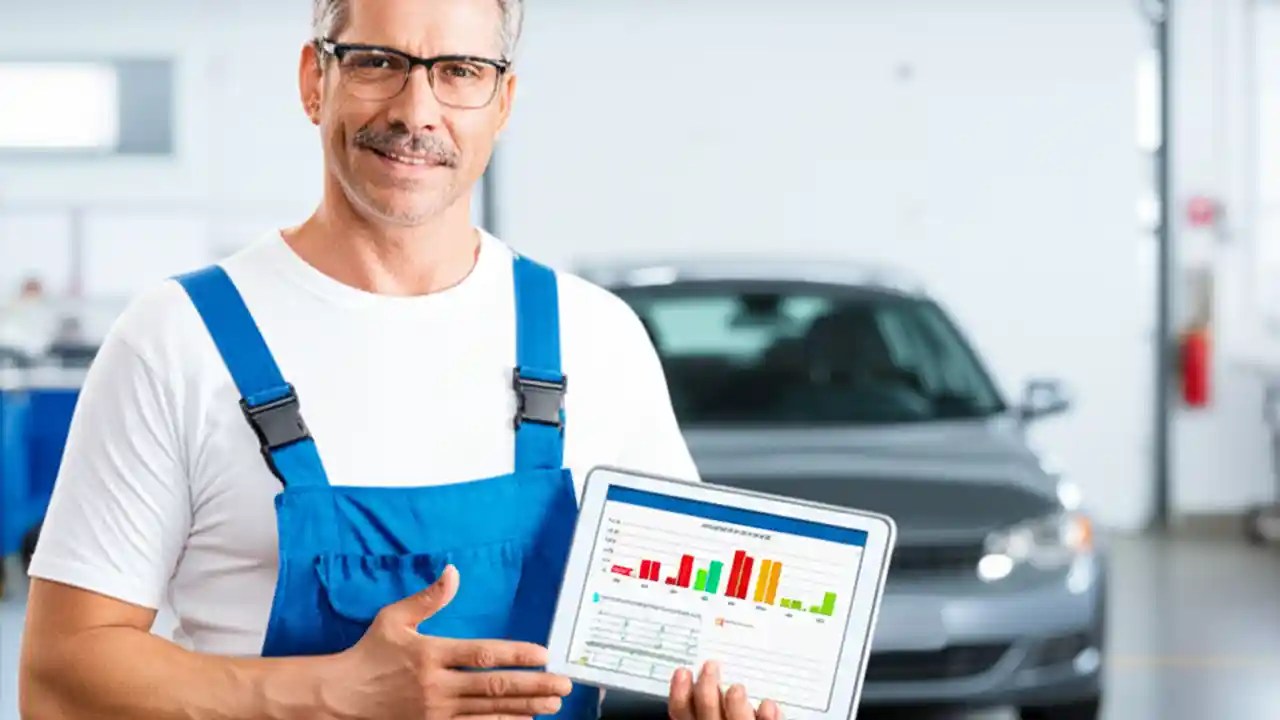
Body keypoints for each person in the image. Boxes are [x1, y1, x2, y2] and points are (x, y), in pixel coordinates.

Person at [18, 1, 783, 719]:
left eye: (459, 71)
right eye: (378, 62)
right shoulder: (176, 338)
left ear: (503, 102)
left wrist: (723, 695)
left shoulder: (597, 337)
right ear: (314, 82)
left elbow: (698, 635)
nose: (417, 111)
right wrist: (329, 692)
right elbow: (57, 678)